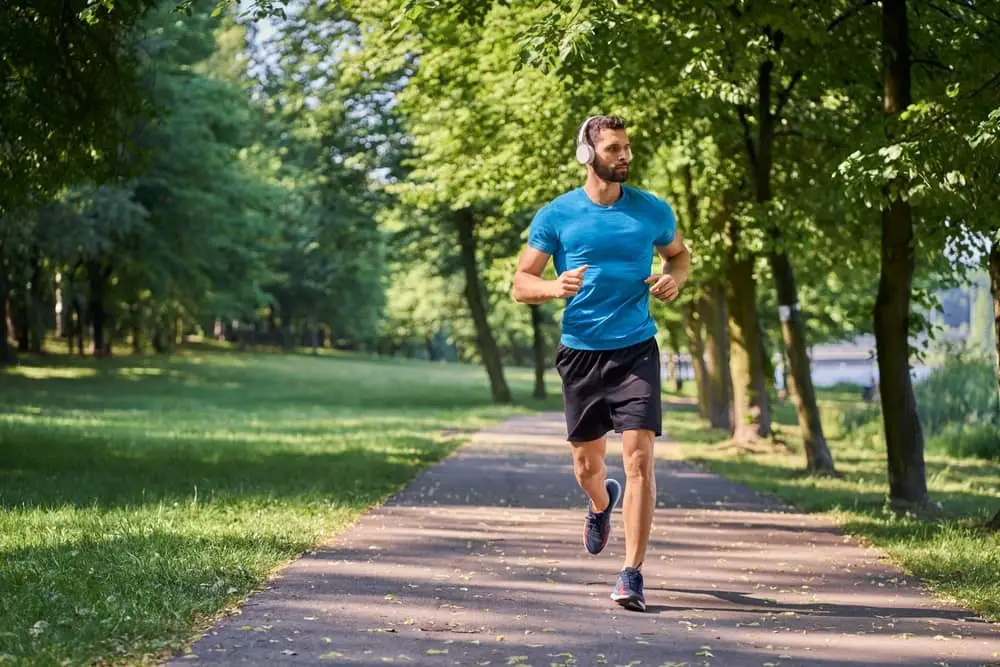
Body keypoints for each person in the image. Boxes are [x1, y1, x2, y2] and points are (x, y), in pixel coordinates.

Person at [511, 115, 690, 612]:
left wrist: (675, 279)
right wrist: (553, 286)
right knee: (587, 467)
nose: (625, 156)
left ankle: (632, 573)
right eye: (614, 149)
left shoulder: (652, 210)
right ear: (588, 155)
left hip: (636, 348)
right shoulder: (557, 215)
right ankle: (599, 503)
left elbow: (679, 256)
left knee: (639, 460)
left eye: (627, 148)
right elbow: (520, 282)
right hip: (581, 351)